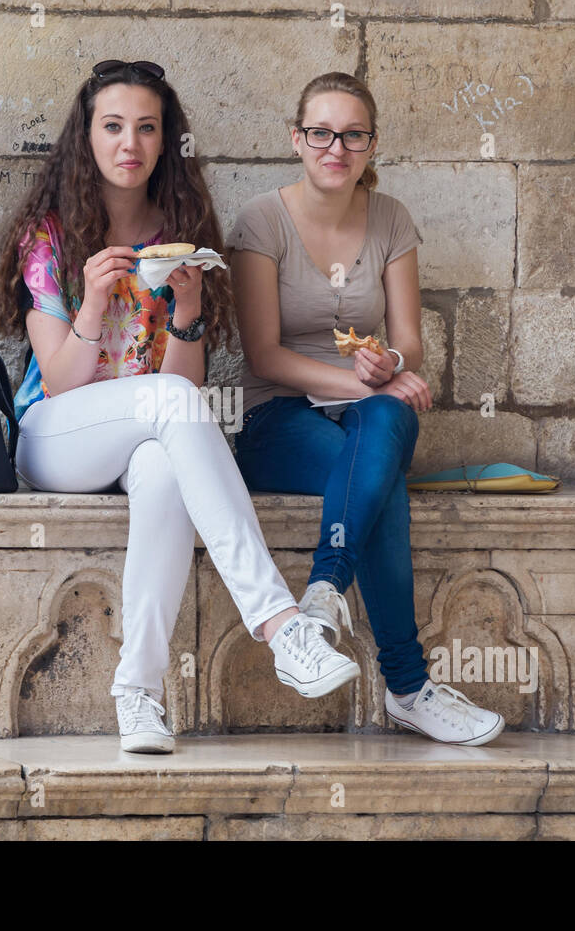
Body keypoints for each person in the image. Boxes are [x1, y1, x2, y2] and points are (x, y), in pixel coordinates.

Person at [0, 60, 359, 755]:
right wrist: (94, 301)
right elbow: (64, 382)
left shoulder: (176, 231)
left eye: (147, 128)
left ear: (164, 142)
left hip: (143, 429)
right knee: (166, 408)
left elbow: (178, 386)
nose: (130, 142)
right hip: (56, 434)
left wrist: (187, 313)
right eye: (114, 126)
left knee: (163, 468)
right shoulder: (50, 236)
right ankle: (281, 623)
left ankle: (139, 694)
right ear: (87, 137)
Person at [229, 72, 506, 746]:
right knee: (377, 483)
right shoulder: (260, 222)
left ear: (371, 145)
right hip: (279, 418)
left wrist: (392, 368)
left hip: (369, 416)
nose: (336, 148)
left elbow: (408, 343)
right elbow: (264, 356)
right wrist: (369, 387)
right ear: (298, 140)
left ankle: (326, 589)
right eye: (321, 133)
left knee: (384, 428)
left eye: (353, 135)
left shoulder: (391, 220)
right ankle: (409, 687)